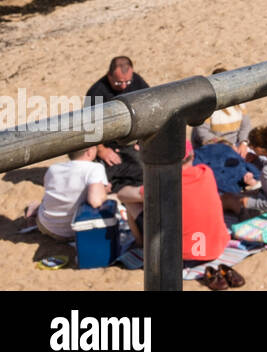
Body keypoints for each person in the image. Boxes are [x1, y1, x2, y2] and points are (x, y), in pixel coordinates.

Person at [118, 139, 226, 262]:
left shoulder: (164, 184)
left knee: (131, 202)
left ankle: (140, 244)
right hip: (214, 248)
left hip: (180, 255)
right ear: (192, 156)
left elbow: (122, 195)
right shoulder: (206, 172)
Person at [86, 57, 149, 191]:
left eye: (127, 81)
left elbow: (149, 109)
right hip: (110, 145)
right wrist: (101, 150)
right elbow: (89, 127)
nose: (124, 86)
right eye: (118, 82)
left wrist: (143, 140)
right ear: (109, 75)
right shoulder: (96, 93)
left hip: (134, 140)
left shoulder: (137, 81)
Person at [26, 146, 108, 241]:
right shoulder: (95, 168)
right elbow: (96, 201)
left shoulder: (54, 168)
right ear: (89, 151)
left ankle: (34, 213)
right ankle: (34, 209)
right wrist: (103, 190)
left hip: (47, 227)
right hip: (77, 232)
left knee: (43, 202)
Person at [192, 68, 251, 154]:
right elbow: (203, 133)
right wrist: (227, 146)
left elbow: (245, 126)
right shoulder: (207, 108)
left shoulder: (239, 104)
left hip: (236, 146)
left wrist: (243, 143)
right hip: (214, 148)